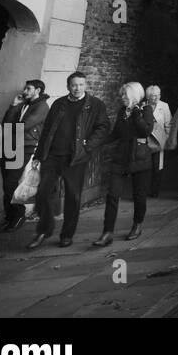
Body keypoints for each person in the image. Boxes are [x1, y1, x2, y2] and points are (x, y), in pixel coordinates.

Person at [28, 72, 111, 250]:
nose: (77, 88)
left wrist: (88, 146)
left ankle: (67, 235)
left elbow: (103, 127)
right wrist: (38, 155)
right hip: (52, 156)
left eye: (81, 84)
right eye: (74, 85)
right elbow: (47, 130)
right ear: (68, 86)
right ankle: (44, 229)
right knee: (42, 192)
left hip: (75, 158)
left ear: (85, 85)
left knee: (73, 196)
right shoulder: (59, 104)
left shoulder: (95, 105)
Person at [94, 82, 156, 246]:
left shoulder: (145, 110)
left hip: (140, 158)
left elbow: (146, 131)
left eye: (124, 95)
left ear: (134, 96)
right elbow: (116, 134)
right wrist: (96, 142)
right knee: (112, 195)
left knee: (139, 195)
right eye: (121, 95)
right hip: (121, 158)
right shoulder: (122, 111)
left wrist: (136, 114)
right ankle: (107, 233)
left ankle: (137, 225)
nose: (121, 98)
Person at [0, 80, 48, 232]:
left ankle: (19, 215)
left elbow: (24, 126)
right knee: (6, 182)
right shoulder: (23, 103)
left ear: (38, 90)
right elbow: (5, 122)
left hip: (24, 147)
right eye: (25, 88)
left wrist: (10, 128)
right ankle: (10, 218)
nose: (25, 91)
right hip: (10, 145)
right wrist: (14, 105)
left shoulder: (42, 107)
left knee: (10, 182)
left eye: (29, 89)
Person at [145, 85, 172, 196]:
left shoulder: (164, 106)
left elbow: (168, 124)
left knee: (157, 167)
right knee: (146, 167)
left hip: (159, 140)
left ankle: (154, 191)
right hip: (146, 141)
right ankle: (144, 190)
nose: (156, 97)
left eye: (158, 95)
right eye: (153, 96)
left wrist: (167, 139)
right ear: (148, 96)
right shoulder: (143, 106)